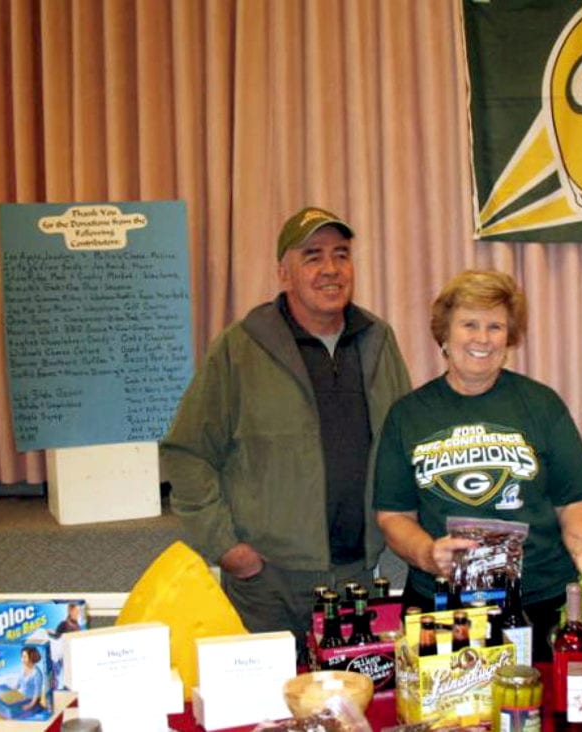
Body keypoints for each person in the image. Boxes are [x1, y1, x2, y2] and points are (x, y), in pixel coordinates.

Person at [162, 206, 411, 653]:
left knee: (350, 708)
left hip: (356, 575)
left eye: (341, 254)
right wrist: (227, 549)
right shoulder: (239, 348)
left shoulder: (378, 339)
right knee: (266, 714)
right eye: (312, 256)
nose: (331, 269)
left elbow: (402, 443)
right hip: (267, 582)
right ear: (284, 272)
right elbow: (187, 452)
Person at [372, 269, 582, 661]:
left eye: (495, 326)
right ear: (445, 335)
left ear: (509, 337)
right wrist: (427, 552)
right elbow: (393, 515)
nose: (482, 338)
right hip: (443, 605)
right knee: (446, 719)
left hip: (539, 600)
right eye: (469, 324)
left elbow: (575, 500)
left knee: (537, 716)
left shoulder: (542, 405)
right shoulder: (408, 415)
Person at [16, 646, 45, 712]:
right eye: (22, 657)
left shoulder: (36, 673)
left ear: (31, 657)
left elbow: (37, 692)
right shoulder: (23, 669)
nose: (22, 659)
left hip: (32, 702)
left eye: (24, 657)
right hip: (22, 699)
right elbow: (18, 684)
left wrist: (30, 705)